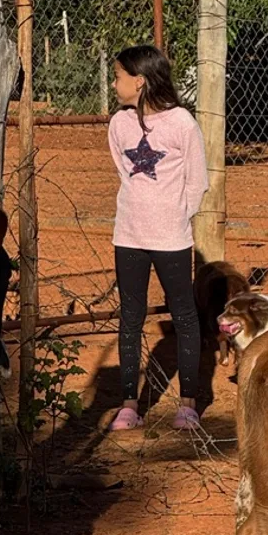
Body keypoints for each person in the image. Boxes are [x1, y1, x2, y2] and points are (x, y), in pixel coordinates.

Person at [107, 45, 208, 431]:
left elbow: (197, 183)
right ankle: (129, 404)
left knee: (183, 315)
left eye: (119, 76)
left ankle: (188, 403)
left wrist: (174, 220)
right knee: (130, 317)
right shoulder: (119, 124)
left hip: (172, 239)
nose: (115, 83)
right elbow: (124, 172)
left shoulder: (182, 122)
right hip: (129, 235)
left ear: (141, 81)